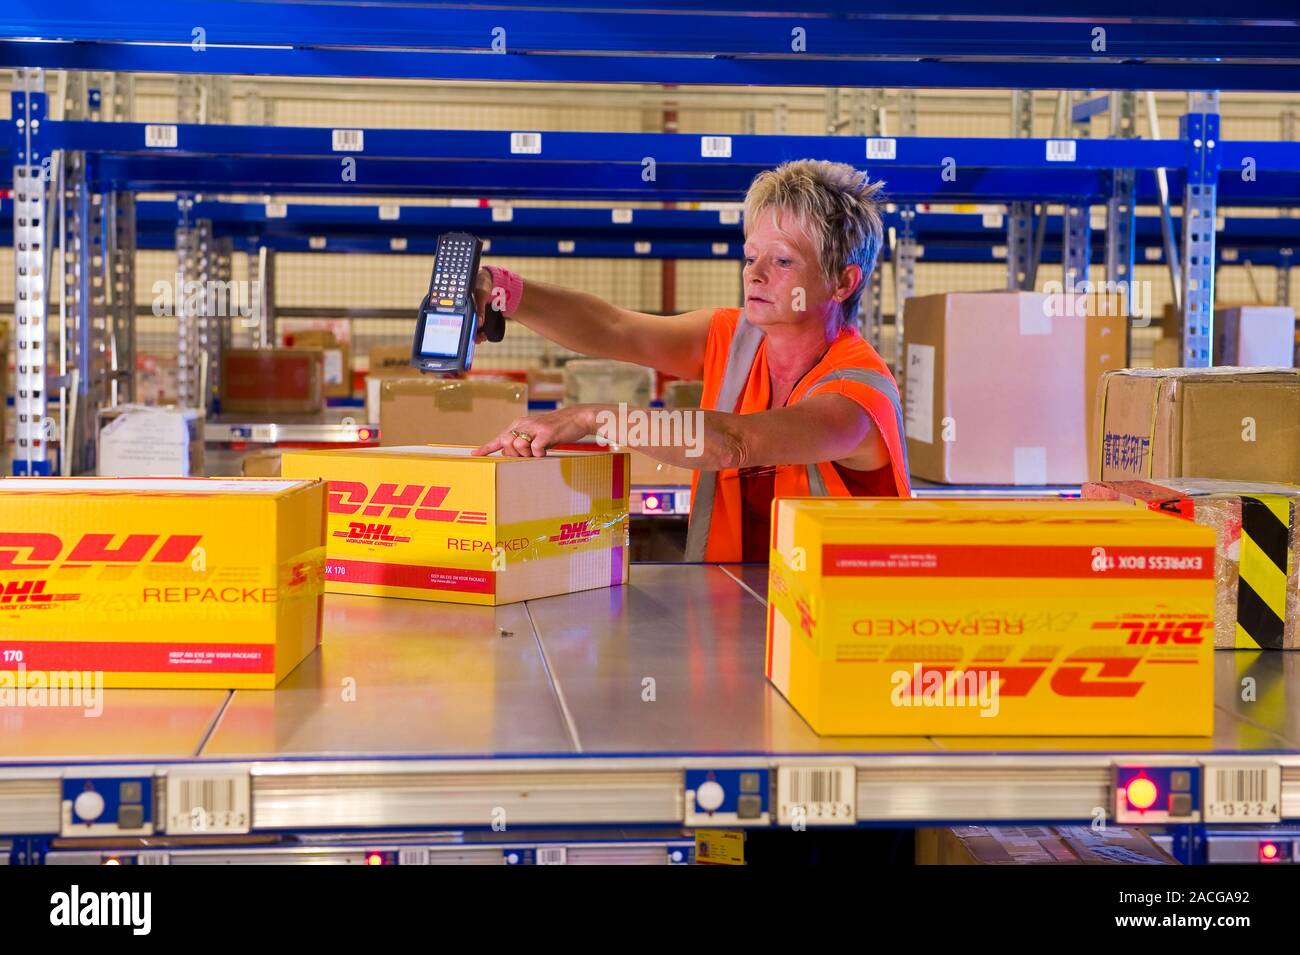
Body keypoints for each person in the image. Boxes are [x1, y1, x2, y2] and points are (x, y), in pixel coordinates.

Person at [471, 159, 910, 562]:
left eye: (782, 261)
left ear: (842, 282)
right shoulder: (734, 337)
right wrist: (501, 290)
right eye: (751, 255)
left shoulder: (857, 396)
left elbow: (733, 441)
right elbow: (612, 328)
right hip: (738, 601)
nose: (754, 274)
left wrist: (591, 417)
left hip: (840, 623)